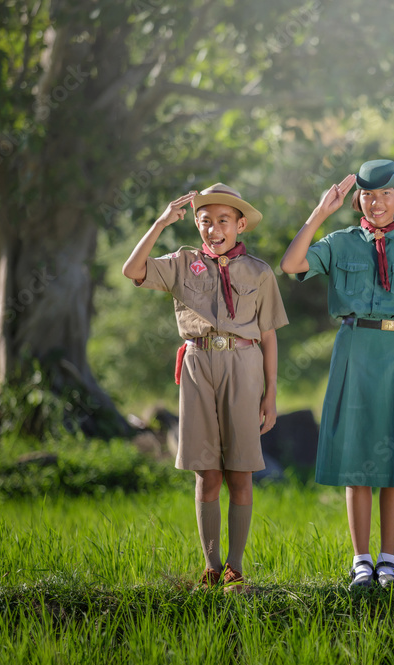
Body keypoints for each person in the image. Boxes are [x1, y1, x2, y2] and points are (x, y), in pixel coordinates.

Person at [280, 159, 394, 589]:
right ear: (358, 198)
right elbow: (291, 265)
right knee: (356, 456)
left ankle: (388, 560)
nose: (377, 203)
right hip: (354, 349)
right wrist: (320, 213)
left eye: (386, 195)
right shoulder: (339, 242)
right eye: (369, 195)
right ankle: (361, 561)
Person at [122, 183, 288, 592]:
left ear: (240, 224)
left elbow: (268, 336)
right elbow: (132, 271)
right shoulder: (182, 263)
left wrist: (271, 394)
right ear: (196, 224)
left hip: (244, 364)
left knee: (241, 472)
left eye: (223, 221)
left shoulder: (260, 272)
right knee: (206, 473)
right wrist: (161, 223)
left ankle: (235, 566)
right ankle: (211, 566)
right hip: (198, 364)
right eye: (206, 221)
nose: (214, 229)